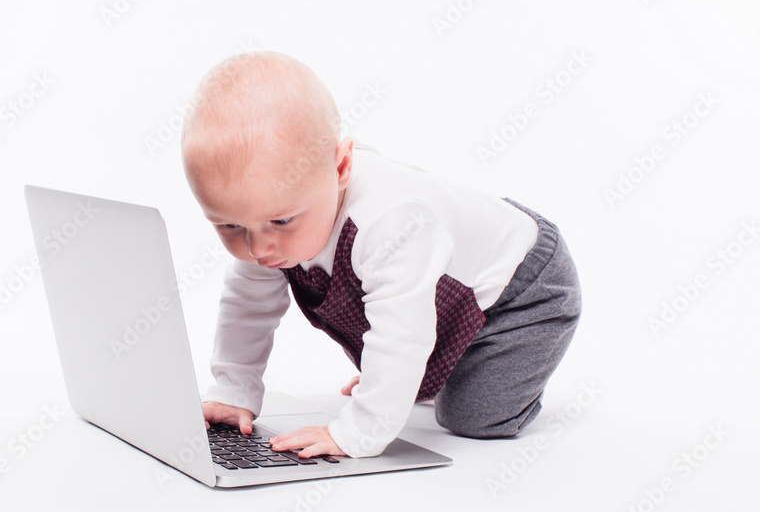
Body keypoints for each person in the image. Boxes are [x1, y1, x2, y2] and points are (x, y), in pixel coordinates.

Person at [179, 51, 581, 459]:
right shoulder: (273, 220)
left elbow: (401, 335)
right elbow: (247, 307)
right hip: (443, 290)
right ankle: (435, 371)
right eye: (229, 226)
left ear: (341, 168)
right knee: (398, 360)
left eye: (281, 221)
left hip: (525, 286)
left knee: (471, 417)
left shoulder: (390, 222)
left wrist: (360, 429)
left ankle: (498, 371)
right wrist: (232, 390)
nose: (256, 248)